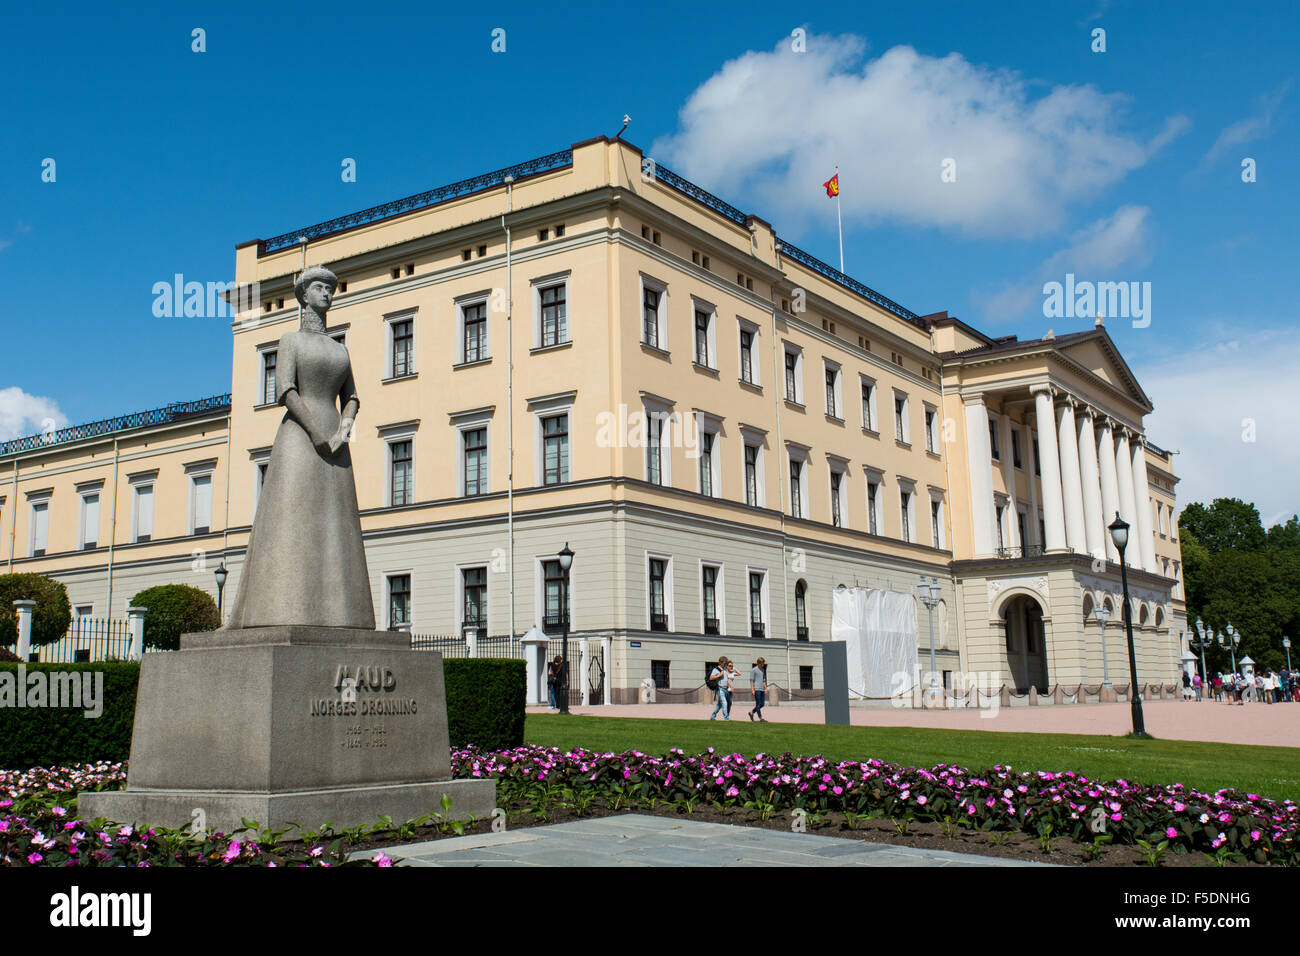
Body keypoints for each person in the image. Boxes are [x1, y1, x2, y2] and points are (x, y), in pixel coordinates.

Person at [225, 265, 374, 630]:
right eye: (320, 288)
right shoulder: (290, 340)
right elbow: (286, 392)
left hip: (335, 440)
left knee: (335, 526)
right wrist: (316, 432)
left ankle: (340, 614)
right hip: (298, 436)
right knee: (289, 517)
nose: (327, 293)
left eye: (330, 288)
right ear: (305, 296)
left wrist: (343, 429)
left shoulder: (340, 349)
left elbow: (352, 397)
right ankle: (275, 609)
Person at [748, 657, 768, 722]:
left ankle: (751, 713)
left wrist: (765, 688)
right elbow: (751, 681)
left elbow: (764, 680)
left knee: (762, 704)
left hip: (762, 689)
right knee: (758, 704)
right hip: (756, 689)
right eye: (762, 663)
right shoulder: (753, 670)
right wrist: (752, 690)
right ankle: (761, 718)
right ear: (759, 663)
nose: (763, 665)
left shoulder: (762, 670)